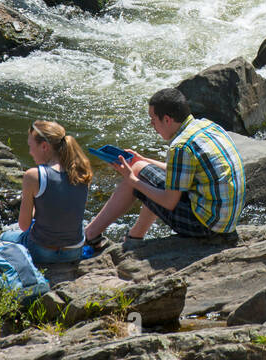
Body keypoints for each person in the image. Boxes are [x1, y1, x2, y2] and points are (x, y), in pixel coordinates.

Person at [83, 87, 245, 253]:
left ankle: (90, 234)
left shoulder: (180, 146)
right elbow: (180, 174)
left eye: (153, 120)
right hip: (226, 221)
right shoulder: (207, 126)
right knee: (144, 169)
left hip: (205, 227)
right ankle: (133, 237)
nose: (152, 126)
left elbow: (169, 201)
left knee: (139, 173)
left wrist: (132, 180)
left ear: (167, 120)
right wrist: (143, 160)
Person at [0, 120, 91, 265]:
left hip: (42, 252)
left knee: (6, 236)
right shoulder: (82, 172)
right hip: (74, 252)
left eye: (31, 146)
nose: (30, 152)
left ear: (44, 146)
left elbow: (24, 225)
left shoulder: (34, 175)